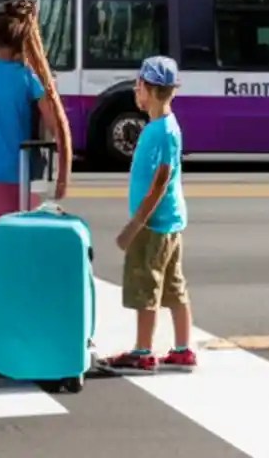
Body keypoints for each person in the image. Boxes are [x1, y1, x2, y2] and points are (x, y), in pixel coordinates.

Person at [0, 0, 72, 318]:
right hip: (17, 176)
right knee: (17, 251)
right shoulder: (28, 78)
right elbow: (54, 125)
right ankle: (16, 322)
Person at [99, 56, 196, 374]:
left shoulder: (160, 131)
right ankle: (182, 349)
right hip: (170, 221)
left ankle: (143, 352)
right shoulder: (165, 127)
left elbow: (160, 181)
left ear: (151, 90)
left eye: (139, 85)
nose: (135, 92)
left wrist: (134, 224)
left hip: (153, 224)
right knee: (174, 287)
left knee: (146, 288)